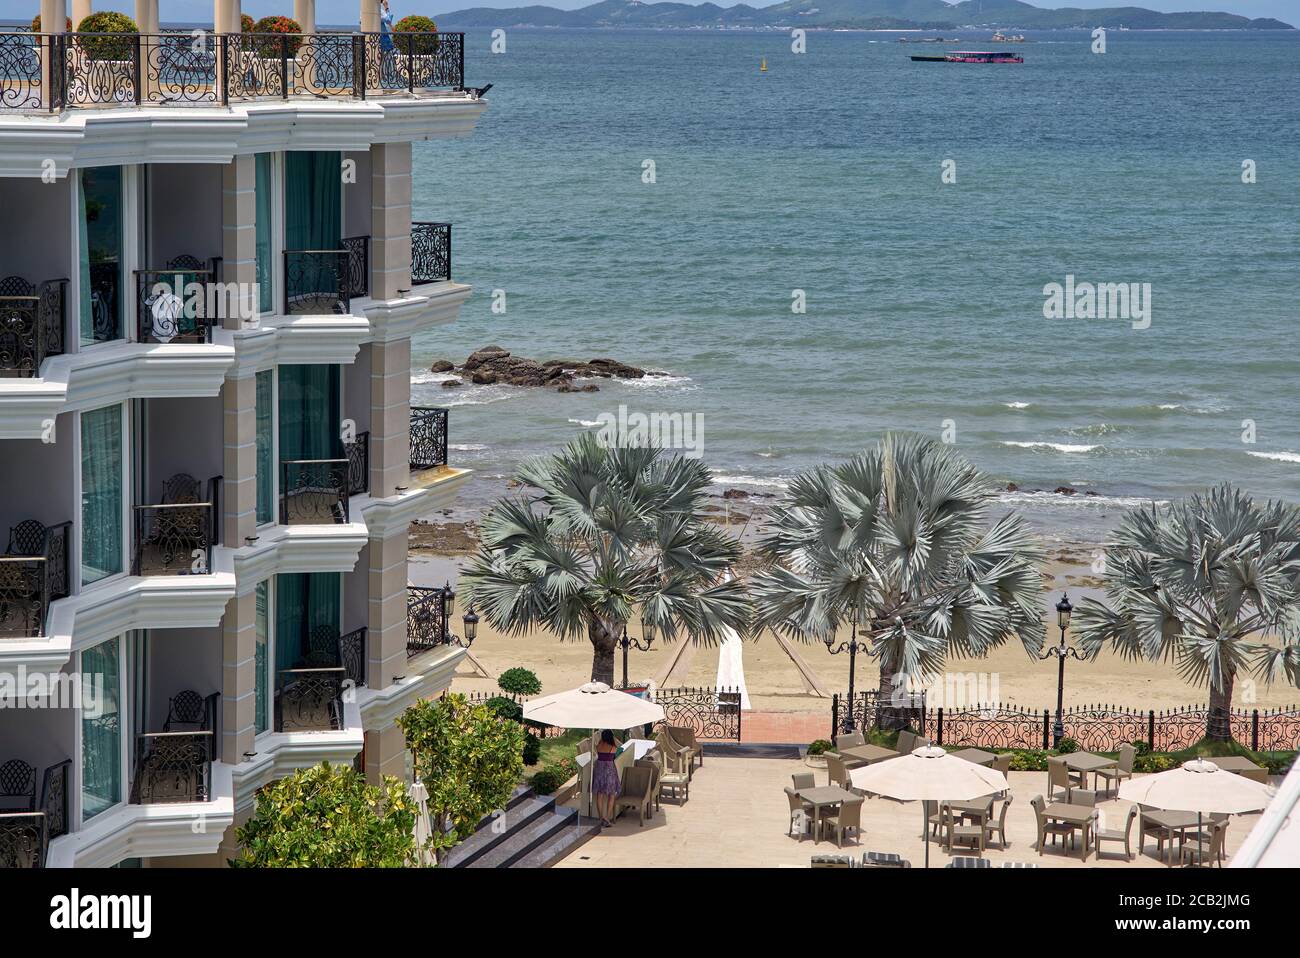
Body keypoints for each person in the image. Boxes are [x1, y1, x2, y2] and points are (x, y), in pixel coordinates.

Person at [591, 730, 622, 826]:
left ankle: (600, 817)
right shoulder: (613, 747)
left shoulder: (598, 746)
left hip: (599, 772)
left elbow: (598, 750)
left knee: (600, 795)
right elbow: (618, 749)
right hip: (609, 772)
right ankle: (607, 817)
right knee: (611, 795)